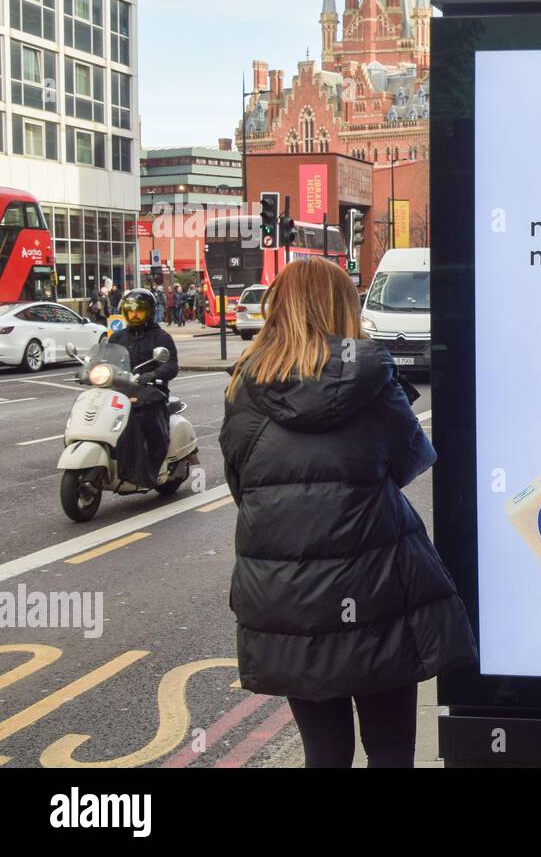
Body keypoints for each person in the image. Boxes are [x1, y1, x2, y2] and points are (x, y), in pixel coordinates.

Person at [220, 256, 476, 768]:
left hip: (288, 596)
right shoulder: (372, 375)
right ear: (344, 307)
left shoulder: (244, 385)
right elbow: (410, 462)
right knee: (390, 748)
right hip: (376, 585)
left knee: (324, 752)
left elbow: (242, 485)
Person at [110, 289, 180, 487]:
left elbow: (171, 365)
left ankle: (149, 465)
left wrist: (154, 374)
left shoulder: (160, 337)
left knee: (143, 416)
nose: (134, 315)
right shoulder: (117, 337)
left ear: (149, 312)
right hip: (122, 390)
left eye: (139, 311)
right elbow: (107, 359)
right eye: (130, 311)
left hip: (151, 391)